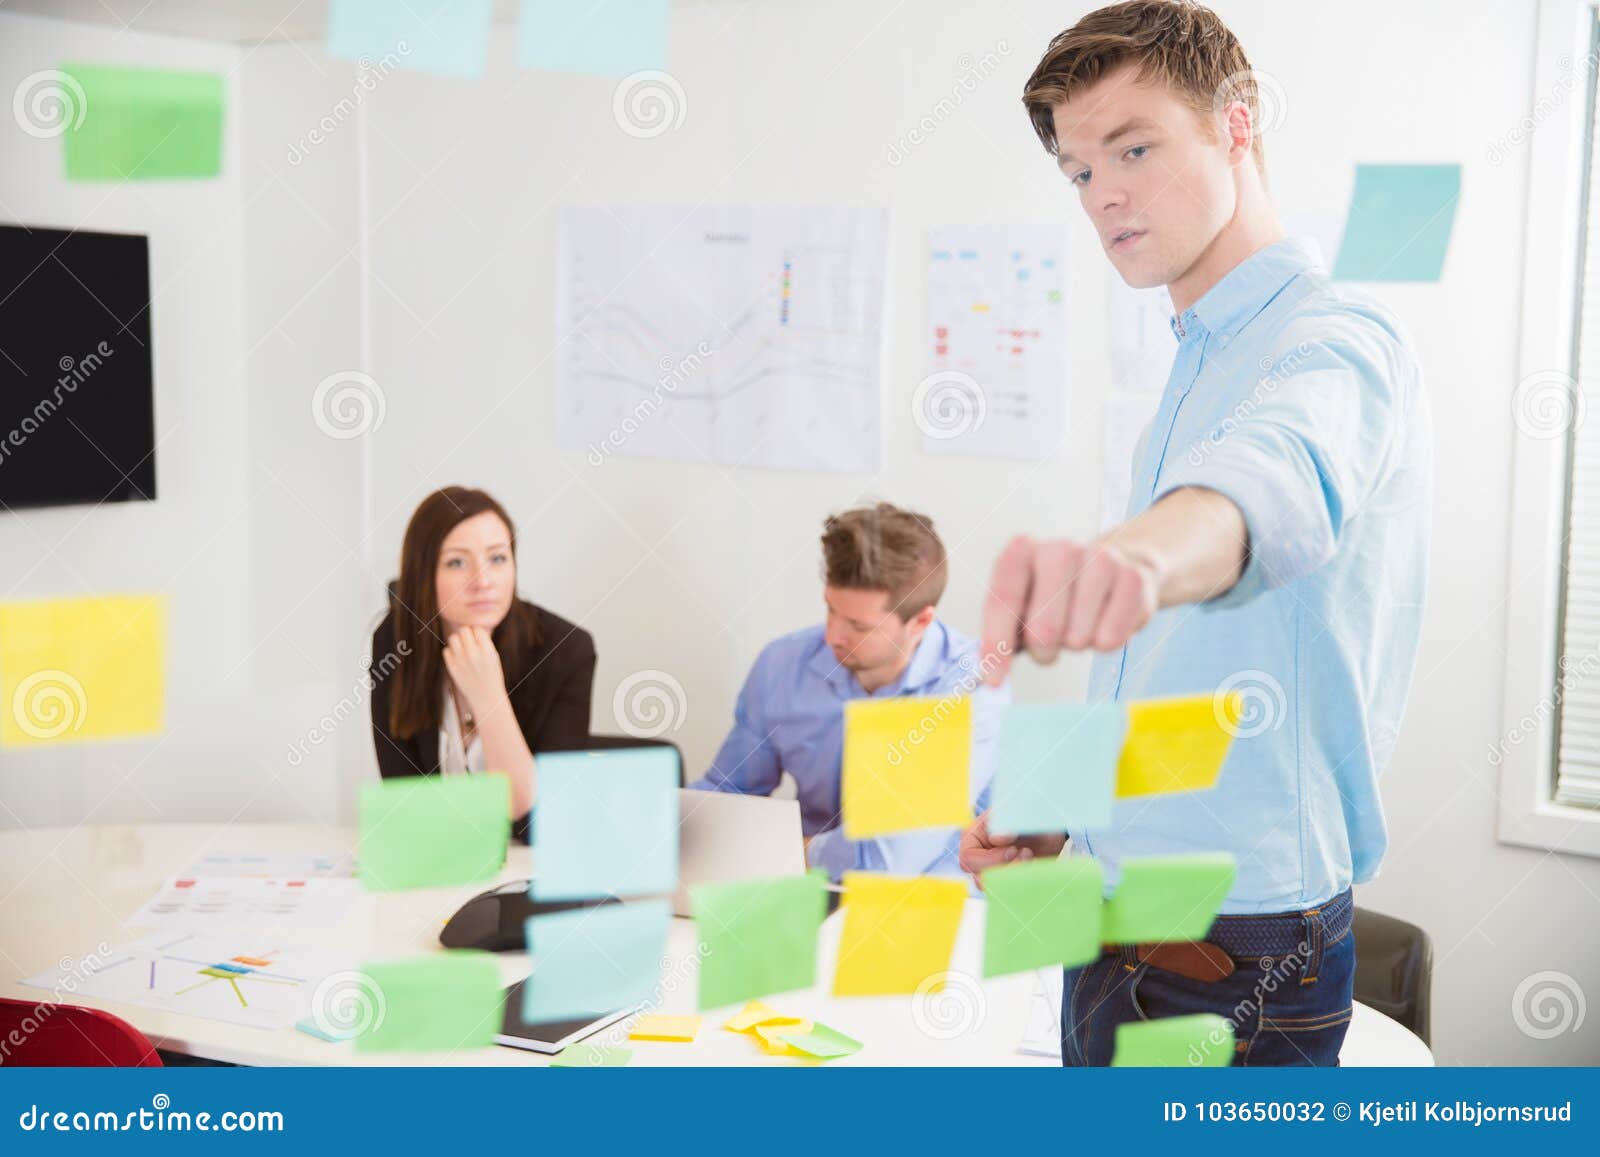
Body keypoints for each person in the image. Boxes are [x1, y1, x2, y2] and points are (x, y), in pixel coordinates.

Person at [960, 0, 1432, 1066]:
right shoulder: (1192, 361)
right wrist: (1060, 807)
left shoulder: (1333, 340)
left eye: (1133, 147)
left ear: (1236, 124)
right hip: (1120, 908)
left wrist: (1134, 558)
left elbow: (1267, 486)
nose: (1103, 194)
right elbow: (1169, 669)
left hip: (1236, 942)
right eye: (1079, 171)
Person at [689, 503, 1009, 880]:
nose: (832, 636)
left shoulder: (972, 685)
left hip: (929, 905)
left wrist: (780, 853)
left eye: (858, 625)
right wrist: (672, 827)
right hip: (805, 891)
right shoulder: (783, 664)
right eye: (830, 609)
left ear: (920, 621)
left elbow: (890, 859)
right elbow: (728, 792)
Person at [369, 486, 597, 842]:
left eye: (498, 558)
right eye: (457, 562)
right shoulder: (395, 642)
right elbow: (407, 802)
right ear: (422, 575)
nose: (483, 581)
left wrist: (488, 696)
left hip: (530, 872)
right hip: (442, 866)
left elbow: (540, 821)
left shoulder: (565, 650)